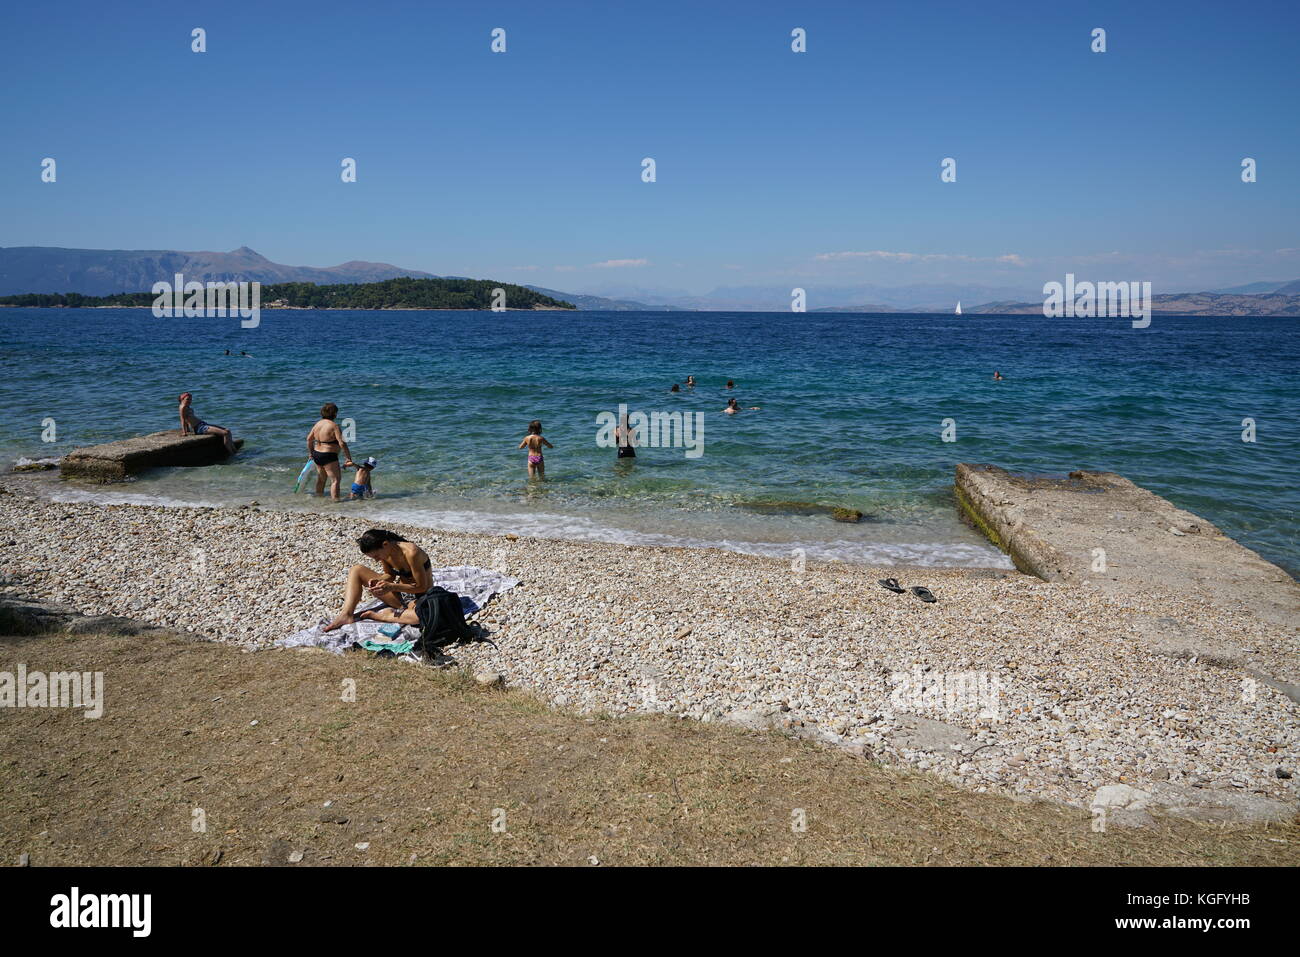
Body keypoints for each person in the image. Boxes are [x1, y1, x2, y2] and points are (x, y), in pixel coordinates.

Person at [324, 529, 433, 631]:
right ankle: (346, 614)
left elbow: (421, 587)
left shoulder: (411, 553)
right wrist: (379, 581)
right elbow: (389, 575)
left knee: (421, 617)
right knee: (356, 570)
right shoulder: (386, 553)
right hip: (399, 596)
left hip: (420, 597)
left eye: (376, 556)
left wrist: (391, 587)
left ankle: (385, 616)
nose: (376, 560)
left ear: (385, 544)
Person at [307, 403, 354, 501]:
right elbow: (342, 443)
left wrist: (311, 453)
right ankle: (335, 501)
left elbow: (309, 439)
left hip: (317, 454)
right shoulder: (334, 426)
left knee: (321, 479)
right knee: (335, 480)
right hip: (328, 456)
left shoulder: (318, 424)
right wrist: (348, 457)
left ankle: (318, 498)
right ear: (335, 414)